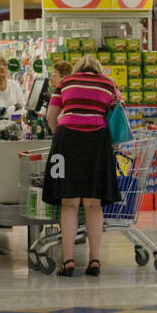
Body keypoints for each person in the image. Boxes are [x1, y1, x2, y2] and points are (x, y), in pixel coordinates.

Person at [42, 53, 121, 277]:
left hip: (66, 142)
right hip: (97, 143)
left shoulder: (66, 82)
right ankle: (94, 260)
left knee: (69, 203)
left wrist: (61, 136)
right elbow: (117, 114)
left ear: (77, 69)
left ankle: (68, 261)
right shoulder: (108, 84)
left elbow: (51, 116)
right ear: (98, 68)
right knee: (93, 203)